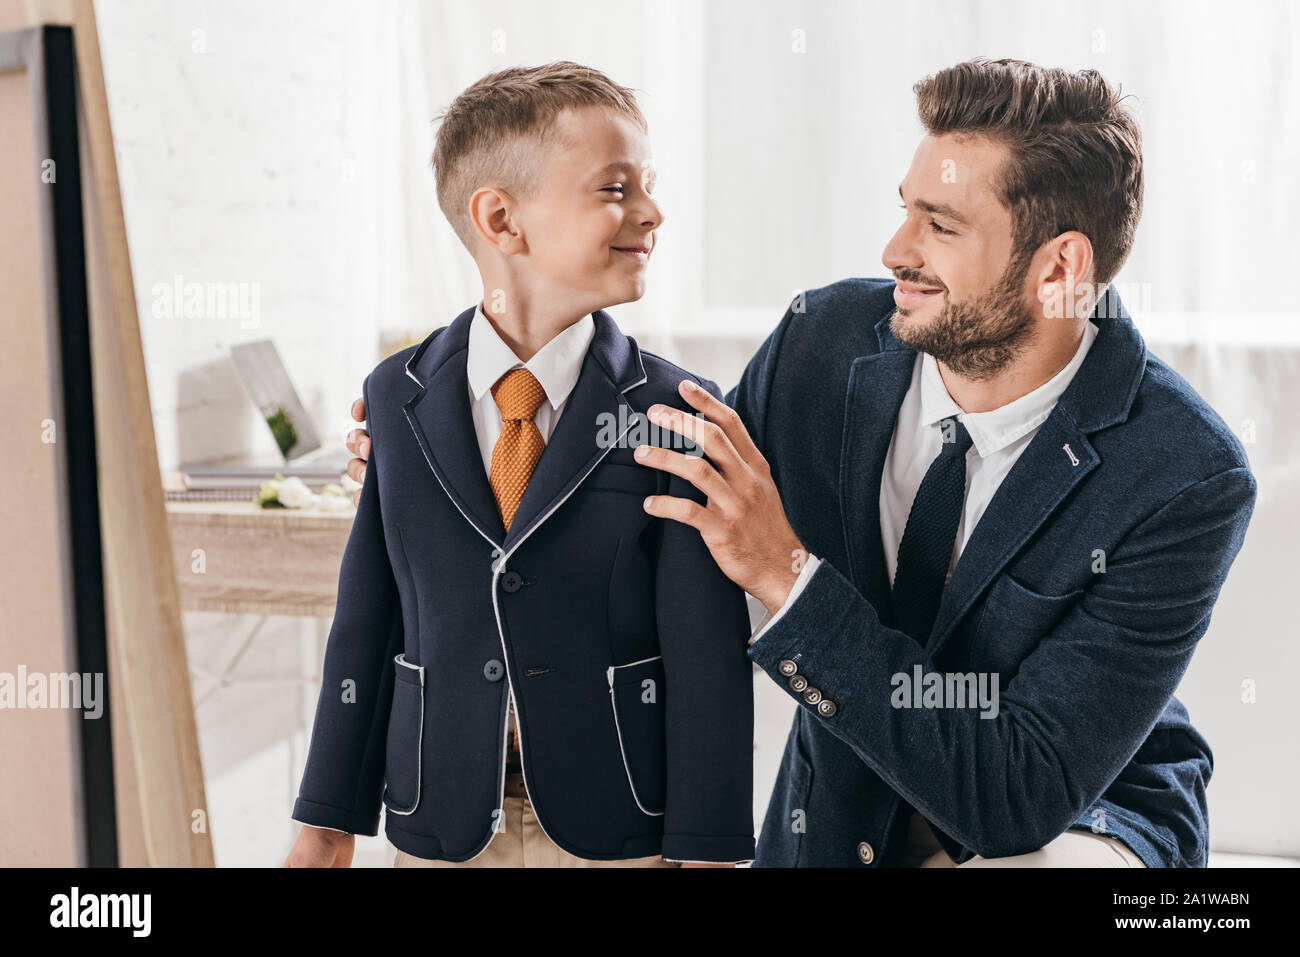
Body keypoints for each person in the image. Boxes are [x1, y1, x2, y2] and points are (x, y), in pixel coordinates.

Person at [345, 58, 1256, 867]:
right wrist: (455, 446)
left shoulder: (1184, 472)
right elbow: (648, 498)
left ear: (1061, 268)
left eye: (938, 225)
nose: (895, 251)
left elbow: (1013, 793)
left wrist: (787, 572)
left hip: (1067, 816)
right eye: (904, 211)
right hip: (843, 806)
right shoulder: (825, 342)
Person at [284, 62, 754, 868]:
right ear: (502, 219)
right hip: (439, 823)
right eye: (615, 189)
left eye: (649, 185)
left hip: (616, 832)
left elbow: (705, 656)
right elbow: (367, 622)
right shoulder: (395, 397)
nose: (652, 212)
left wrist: (707, 850)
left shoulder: (676, 408)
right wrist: (326, 825)